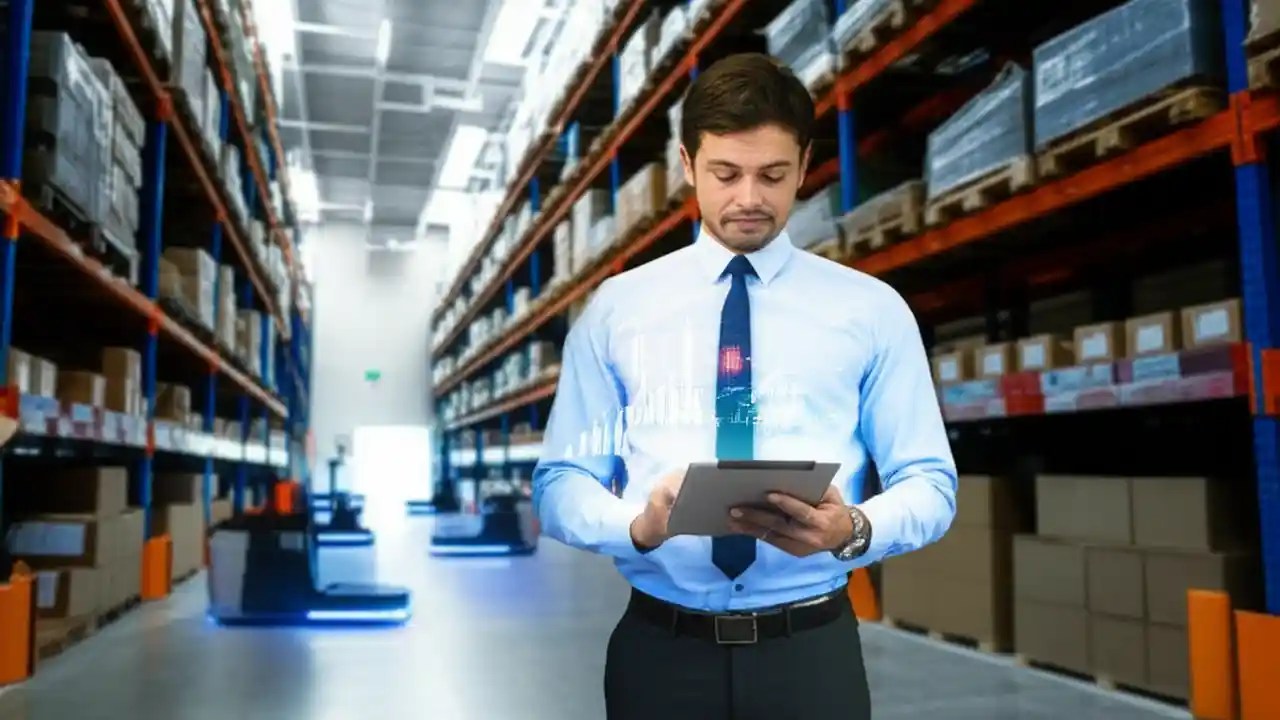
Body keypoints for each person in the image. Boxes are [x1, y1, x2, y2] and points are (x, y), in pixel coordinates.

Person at [531, 52, 957, 720]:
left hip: (811, 655)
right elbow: (560, 485)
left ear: (806, 164)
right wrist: (639, 525)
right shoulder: (618, 311)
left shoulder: (871, 311)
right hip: (661, 654)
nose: (750, 198)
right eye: (726, 174)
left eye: (773, 174)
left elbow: (931, 482)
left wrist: (853, 529)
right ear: (687, 163)